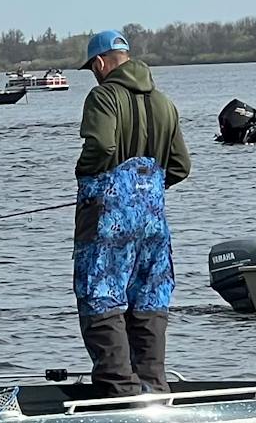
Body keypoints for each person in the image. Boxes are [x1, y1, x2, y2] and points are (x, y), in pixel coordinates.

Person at [72, 28, 191, 396]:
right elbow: (181, 166)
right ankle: (153, 386)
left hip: (107, 219)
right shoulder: (165, 102)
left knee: (99, 292)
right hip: (154, 221)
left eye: (93, 68)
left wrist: (88, 175)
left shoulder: (103, 96)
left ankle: (119, 390)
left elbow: (102, 145)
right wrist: (145, 187)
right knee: (151, 294)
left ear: (100, 63)